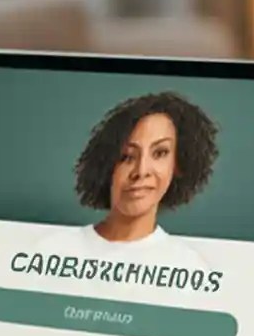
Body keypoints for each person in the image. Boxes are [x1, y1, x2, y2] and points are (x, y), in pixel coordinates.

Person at [40, 92, 219, 271]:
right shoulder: (53, 252)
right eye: (127, 156)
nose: (141, 171)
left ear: (178, 164)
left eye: (159, 153)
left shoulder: (188, 267)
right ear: (107, 166)